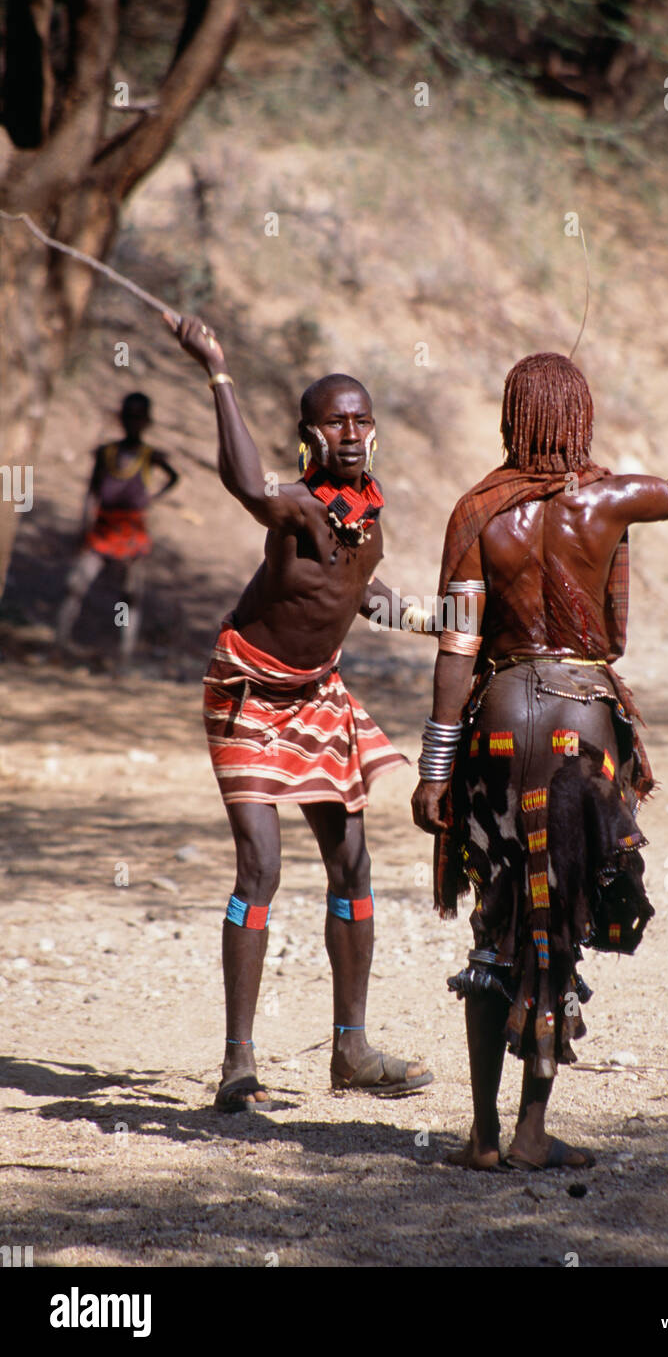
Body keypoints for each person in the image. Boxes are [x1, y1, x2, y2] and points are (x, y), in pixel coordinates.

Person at [411, 305, 668, 1171]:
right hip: (581, 725)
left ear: (512, 417)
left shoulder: (476, 513)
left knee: (498, 919)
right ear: (576, 419)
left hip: (497, 723)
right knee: (555, 919)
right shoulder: (611, 498)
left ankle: (484, 1135)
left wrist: (434, 769)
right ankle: (534, 1132)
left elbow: (457, 649)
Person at [165, 312, 434, 1111]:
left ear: (373, 432)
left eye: (361, 419)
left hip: (319, 692)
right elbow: (247, 484)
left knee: (352, 864)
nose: (350, 431)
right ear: (311, 437)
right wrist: (217, 370)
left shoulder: (368, 516)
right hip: (247, 688)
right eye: (334, 421)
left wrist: (444, 621)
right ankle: (237, 1065)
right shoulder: (295, 509)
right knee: (262, 867)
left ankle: (350, 1051)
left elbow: (361, 596)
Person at [54, 392, 179, 662]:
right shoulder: (106, 453)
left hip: (132, 532)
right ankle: (58, 645)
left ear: (146, 421)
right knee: (76, 583)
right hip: (101, 528)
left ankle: (125, 655)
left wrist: (152, 498)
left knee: (130, 594)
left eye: (137, 417)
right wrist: (83, 527)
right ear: (120, 417)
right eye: (128, 415)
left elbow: (173, 477)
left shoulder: (149, 456)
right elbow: (92, 491)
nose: (132, 421)